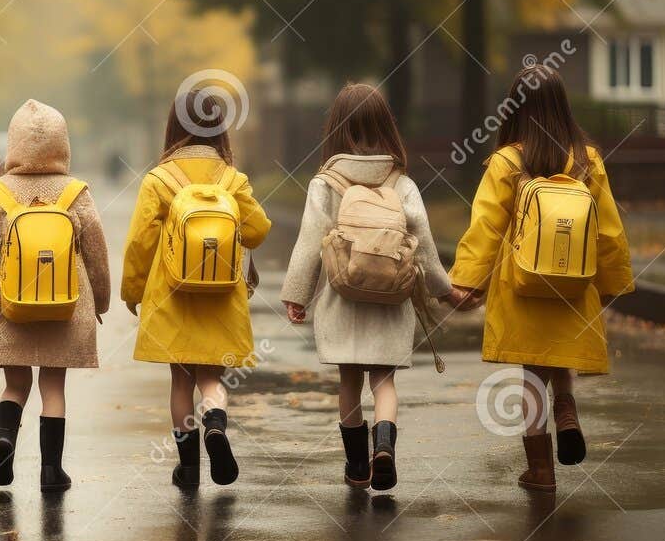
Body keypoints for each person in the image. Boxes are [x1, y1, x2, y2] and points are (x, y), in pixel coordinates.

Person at [449, 66, 634, 492]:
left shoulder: (507, 161)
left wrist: (468, 282)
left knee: (532, 375)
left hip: (523, 284)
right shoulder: (588, 160)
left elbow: (486, 228)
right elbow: (608, 229)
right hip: (575, 282)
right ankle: (566, 409)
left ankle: (540, 470)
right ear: (562, 106)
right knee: (560, 355)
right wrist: (610, 283)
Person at [281, 84, 464, 490]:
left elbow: (310, 241)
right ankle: (385, 449)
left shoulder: (325, 184)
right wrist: (442, 289)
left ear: (336, 129)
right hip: (391, 299)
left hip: (341, 298)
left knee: (349, 383)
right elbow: (425, 246)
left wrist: (297, 295)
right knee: (384, 383)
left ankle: (357, 468)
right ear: (386, 126)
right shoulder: (401, 184)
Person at [0, 100, 112, 492]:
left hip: (9, 307)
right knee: (53, 389)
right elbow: (97, 254)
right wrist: (100, 302)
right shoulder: (75, 193)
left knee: (16, 384)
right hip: (65, 308)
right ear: (63, 146)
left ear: (12, 146)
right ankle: (51, 472)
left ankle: (4, 440)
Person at [121, 87, 271, 487]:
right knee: (211, 380)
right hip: (221, 296)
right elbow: (257, 231)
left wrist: (132, 292)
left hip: (171, 295)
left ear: (173, 127)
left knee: (180, 382)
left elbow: (140, 242)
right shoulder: (231, 179)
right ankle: (216, 423)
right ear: (219, 127)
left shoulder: (159, 179)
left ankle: (187, 467)